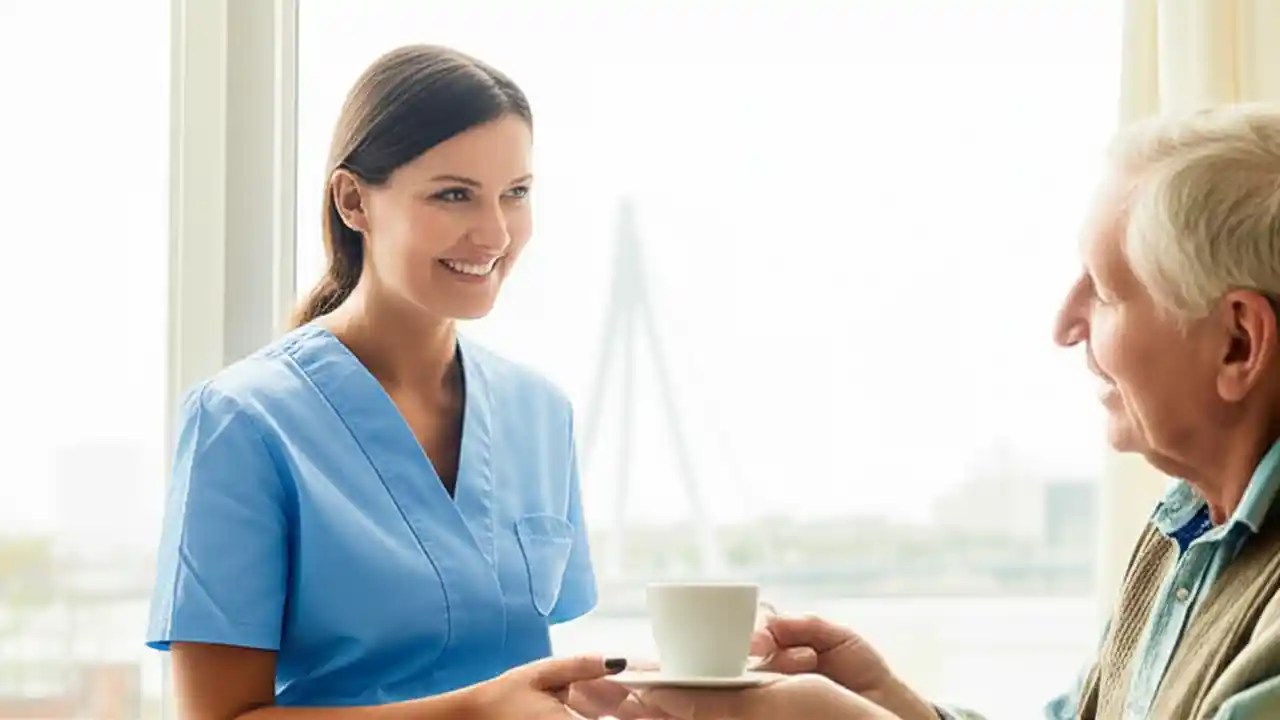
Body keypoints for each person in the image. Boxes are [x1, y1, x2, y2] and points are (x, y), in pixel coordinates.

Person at [629, 103, 1280, 720]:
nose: (1064, 324)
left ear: (1237, 343)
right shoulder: (1184, 530)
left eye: (1106, 293)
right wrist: (895, 704)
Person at [145, 45, 637, 719]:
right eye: (454, 195)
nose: (494, 233)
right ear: (354, 201)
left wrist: (677, 682)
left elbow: (516, 676)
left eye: (515, 194)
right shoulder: (243, 421)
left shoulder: (539, 413)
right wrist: (476, 713)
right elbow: (218, 716)